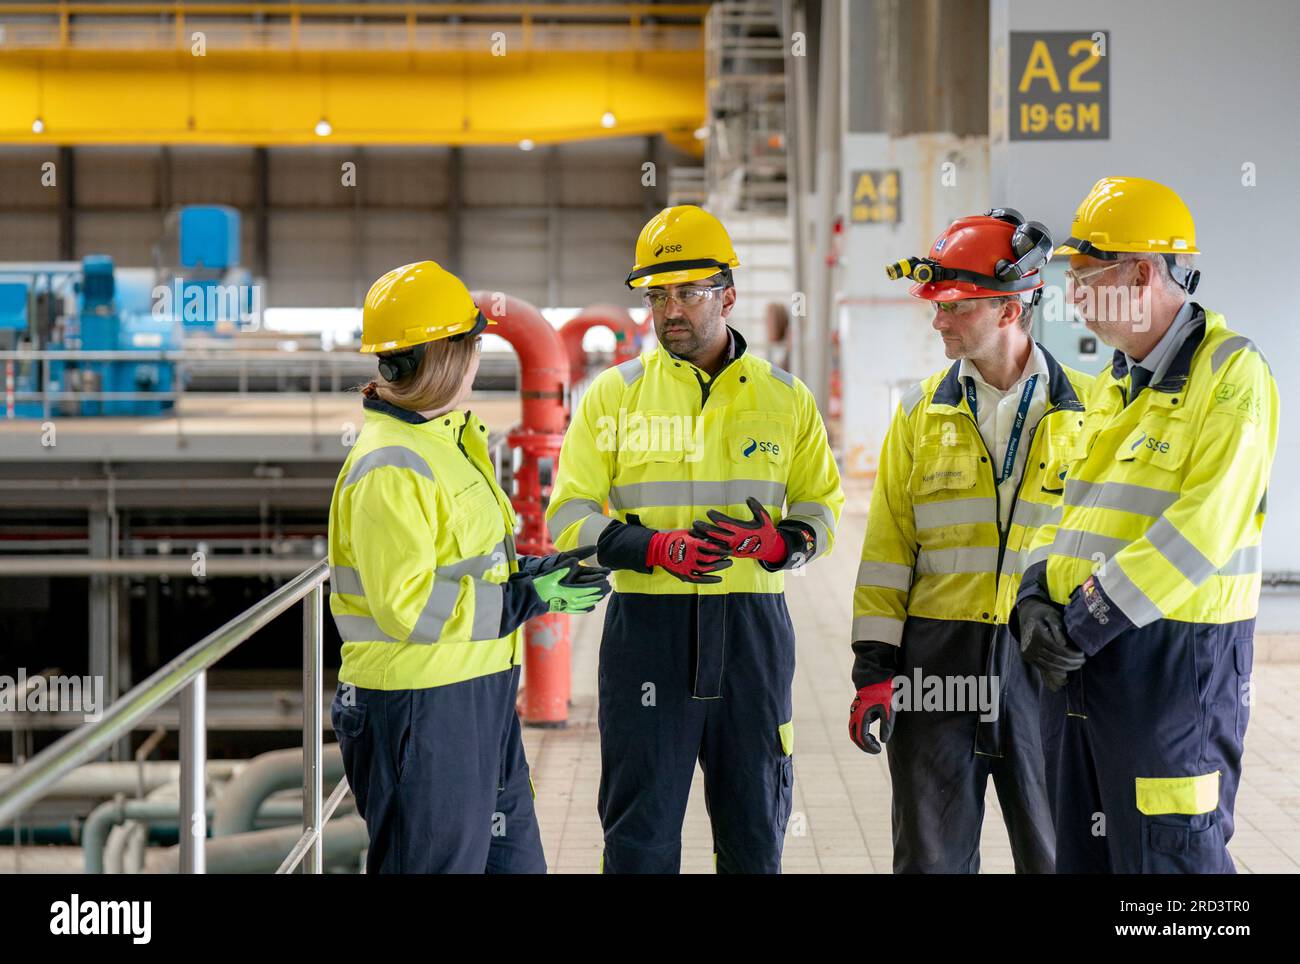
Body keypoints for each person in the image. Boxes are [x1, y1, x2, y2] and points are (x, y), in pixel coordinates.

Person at [546, 205, 844, 873]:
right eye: (657, 294)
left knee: (753, 829)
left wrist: (781, 546)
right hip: (647, 633)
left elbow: (822, 506)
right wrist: (654, 549)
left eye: (686, 291)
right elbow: (567, 515)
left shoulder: (787, 399)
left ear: (728, 295)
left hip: (753, 635)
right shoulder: (612, 397)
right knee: (640, 835)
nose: (669, 309)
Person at [1015, 176, 1279, 873]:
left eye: (1086, 274)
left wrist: (1085, 619)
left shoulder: (1231, 375)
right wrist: (1034, 597)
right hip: (1080, 663)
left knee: (1169, 864)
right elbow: (1062, 512)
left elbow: (1204, 528)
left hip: (1172, 666)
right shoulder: (1112, 385)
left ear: (1141, 272)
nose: (1072, 294)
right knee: (1082, 854)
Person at [327, 260, 611, 873]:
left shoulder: (448, 438)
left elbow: (467, 564)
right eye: (473, 343)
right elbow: (410, 608)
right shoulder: (391, 466)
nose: (480, 355)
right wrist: (527, 600)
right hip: (419, 708)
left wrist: (535, 574)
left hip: (477, 694)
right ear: (447, 356)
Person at [849, 210, 1092, 873]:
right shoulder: (919, 410)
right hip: (934, 664)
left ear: (1010, 307)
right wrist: (875, 667)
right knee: (930, 859)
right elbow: (889, 547)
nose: (938, 321)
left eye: (954, 305)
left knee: (1056, 852)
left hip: (1044, 663)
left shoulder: (1093, 414)